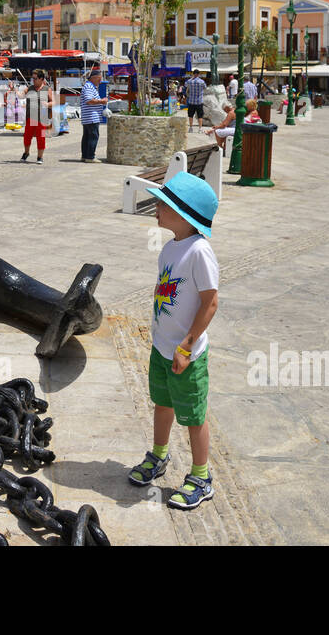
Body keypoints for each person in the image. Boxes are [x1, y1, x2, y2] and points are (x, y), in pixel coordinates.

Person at [126, 173, 219, 511]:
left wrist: (186, 346)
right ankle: (160, 456)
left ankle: (201, 476)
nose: (156, 209)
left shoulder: (199, 252)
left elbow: (210, 301)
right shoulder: (169, 247)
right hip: (162, 348)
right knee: (162, 404)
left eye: (162, 205)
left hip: (185, 354)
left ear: (183, 214)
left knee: (193, 415)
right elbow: (162, 287)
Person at [20, 69, 52, 164]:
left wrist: (47, 104)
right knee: (27, 137)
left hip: (42, 118)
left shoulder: (47, 89)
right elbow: (21, 96)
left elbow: (53, 102)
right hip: (31, 117)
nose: (33, 80)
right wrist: (14, 90)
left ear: (41, 78)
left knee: (41, 138)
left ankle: (40, 157)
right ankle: (26, 153)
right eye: (32, 78)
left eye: (35, 78)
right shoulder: (29, 88)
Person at [79, 66, 108, 163]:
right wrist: (102, 101)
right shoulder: (89, 87)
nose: (100, 81)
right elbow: (89, 100)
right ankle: (90, 156)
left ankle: (85, 155)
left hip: (89, 117)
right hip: (91, 117)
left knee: (87, 137)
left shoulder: (89, 86)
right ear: (94, 78)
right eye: (99, 79)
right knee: (93, 136)